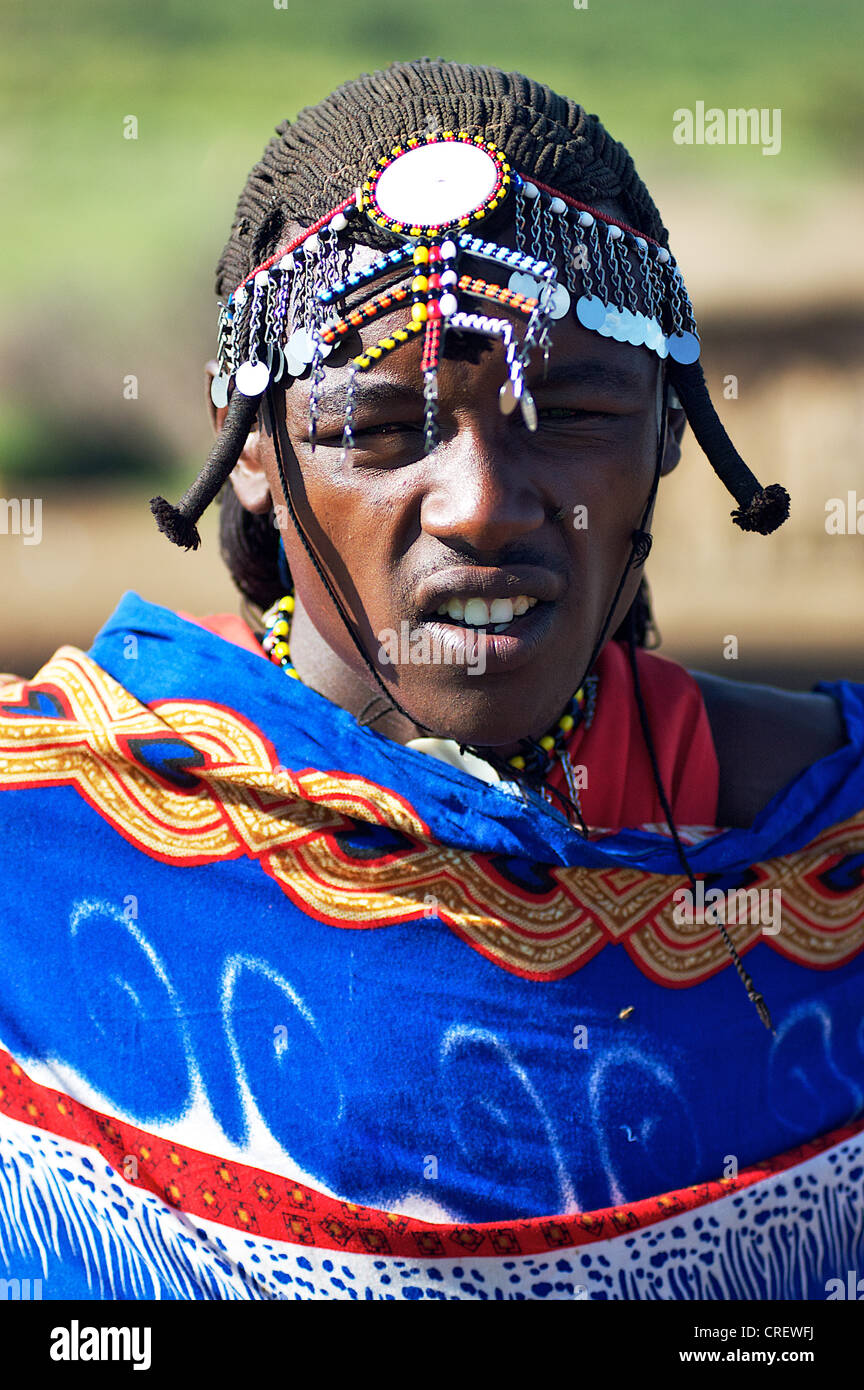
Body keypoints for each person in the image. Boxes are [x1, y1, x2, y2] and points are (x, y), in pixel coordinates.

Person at [1, 58, 862, 1303]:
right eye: (384, 430)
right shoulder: (48, 848)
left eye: (567, 412)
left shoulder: (823, 841)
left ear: (671, 431)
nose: (484, 507)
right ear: (248, 457)